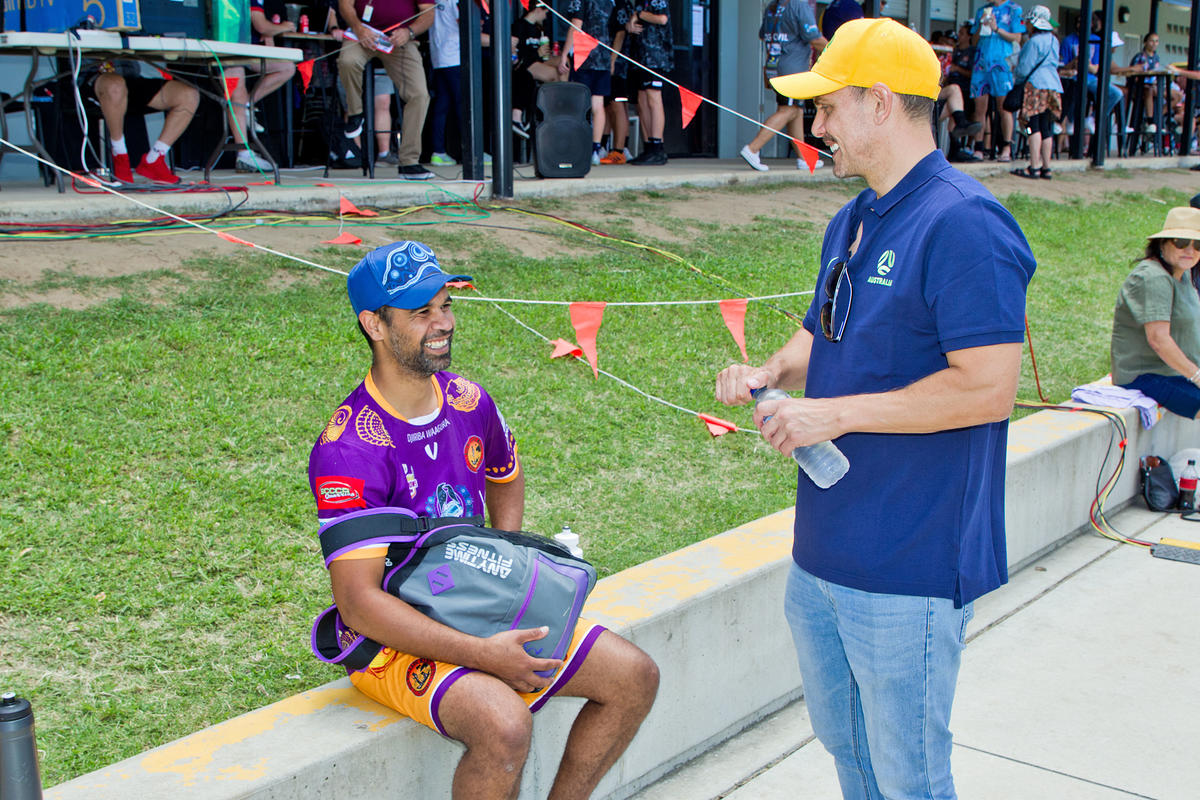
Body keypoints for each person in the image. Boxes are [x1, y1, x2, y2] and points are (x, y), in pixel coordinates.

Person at [714, 18, 1035, 799]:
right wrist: (769, 369)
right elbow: (821, 331)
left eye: (827, 108)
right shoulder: (854, 218)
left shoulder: (965, 222)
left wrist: (832, 415)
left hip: (909, 564)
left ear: (882, 103)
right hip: (825, 551)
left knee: (909, 775)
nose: (816, 127)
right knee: (849, 752)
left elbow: (989, 388)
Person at [309, 241, 659, 799]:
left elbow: (505, 474)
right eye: (421, 313)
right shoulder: (350, 446)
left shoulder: (471, 400)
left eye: (445, 306)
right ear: (373, 324)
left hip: (475, 606)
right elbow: (358, 603)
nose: (442, 323)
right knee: (504, 725)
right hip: (386, 637)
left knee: (634, 678)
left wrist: (503, 562)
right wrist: (482, 654)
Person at [1110, 207, 1200, 418]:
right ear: (1162, 243)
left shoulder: (1183, 274)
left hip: (1177, 372)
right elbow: (1158, 340)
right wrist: (1197, 376)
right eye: (1180, 242)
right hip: (1147, 376)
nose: (1190, 250)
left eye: (1197, 244)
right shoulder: (1153, 277)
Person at [337, 0, 435, 179]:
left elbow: (428, 13)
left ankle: (409, 161)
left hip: (399, 40)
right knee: (347, 61)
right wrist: (358, 28)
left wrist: (409, 31)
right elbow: (344, 4)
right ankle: (355, 114)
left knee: (419, 95)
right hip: (362, 35)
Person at [739, 0, 827, 173]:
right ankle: (753, 148)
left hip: (775, 65)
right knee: (789, 110)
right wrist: (835, 49)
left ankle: (804, 159)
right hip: (793, 68)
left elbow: (763, 34)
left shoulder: (773, 6)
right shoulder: (799, 5)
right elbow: (814, 38)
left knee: (796, 111)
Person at [82, 60, 199, 184]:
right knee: (115, 84)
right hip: (95, 79)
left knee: (189, 95)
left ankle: (154, 159)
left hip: (131, 78)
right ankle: (119, 156)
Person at [223, 0, 298, 173]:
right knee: (237, 91)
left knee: (287, 67)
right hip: (224, 50)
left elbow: (263, 28)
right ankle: (243, 154)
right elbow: (262, 26)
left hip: (247, 51)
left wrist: (270, 31)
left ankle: (248, 104)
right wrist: (283, 26)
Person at [561, 0, 617, 165]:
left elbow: (576, 25)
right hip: (603, 56)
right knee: (598, 106)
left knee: (580, 105)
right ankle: (595, 149)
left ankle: (579, 147)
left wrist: (564, 53)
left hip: (585, 56)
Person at [1010, 5, 1061, 179]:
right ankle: (1047, 167)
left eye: (1029, 21)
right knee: (1047, 128)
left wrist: (1015, 72)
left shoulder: (1034, 42)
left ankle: (1034, 166)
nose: (1027, 24)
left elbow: (1024, 69)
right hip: (1053, 85)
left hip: (1035, 86)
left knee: (1033, 126)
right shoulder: (1055, 40)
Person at [969, 0, 1024, 162]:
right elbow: (974, 40)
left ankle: (1006, 146)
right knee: (980, 108)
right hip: (981, 64)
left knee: (1004, 108)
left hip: (1002, 65)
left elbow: (1017, 37)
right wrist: (981, 26)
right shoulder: (982, 10)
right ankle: (979, 147)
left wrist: (996, 28)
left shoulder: (1014, 9)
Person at [624, 0, 673, 165]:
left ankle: (658, 147)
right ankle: (649, 147)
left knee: (653, 98)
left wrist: (639, 15)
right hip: (640, 57)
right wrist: (630, 25)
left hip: (655, 57)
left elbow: (662, 19)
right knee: (641, 101)